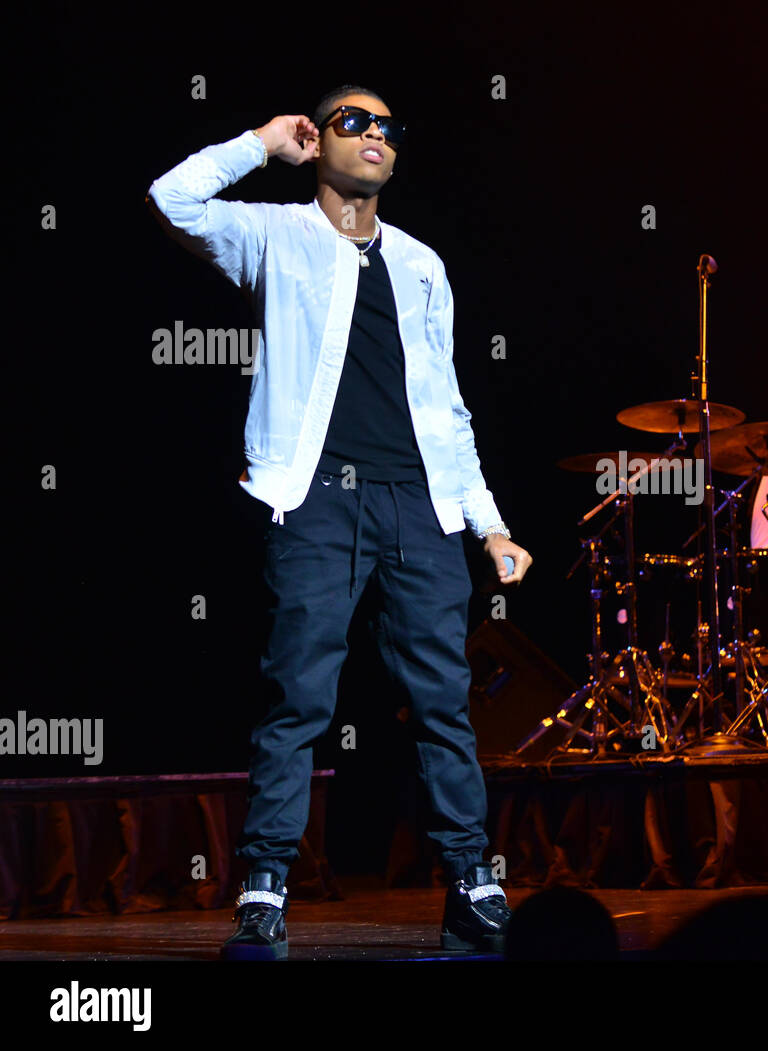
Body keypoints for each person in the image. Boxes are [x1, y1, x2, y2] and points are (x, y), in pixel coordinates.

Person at [147, 86, 533, 958]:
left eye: (388, 128)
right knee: (299, 696)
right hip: (315, 497)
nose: (374, 136)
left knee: (443, 700)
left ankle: (472, 881)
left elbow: (448, 406)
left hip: (420, 504)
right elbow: (172, 198)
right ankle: (265, 887)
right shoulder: (274, 236)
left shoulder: (424, 264)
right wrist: (258, 141)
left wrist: (490, 525)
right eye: (353, 122)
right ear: (316, 138)